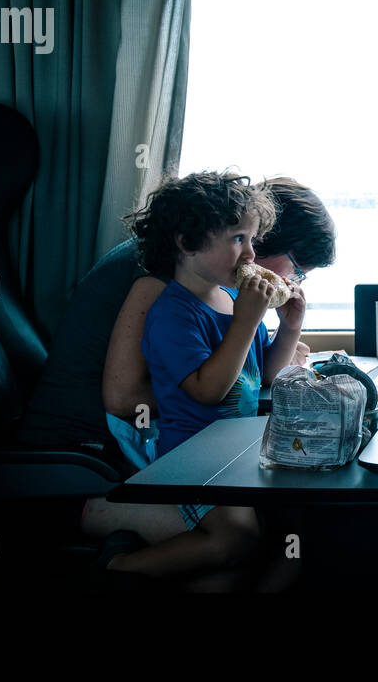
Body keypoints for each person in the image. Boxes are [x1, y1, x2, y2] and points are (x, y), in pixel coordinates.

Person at [94, 171, 301, 586]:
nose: (251, 255)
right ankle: (116, 571)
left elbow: (266, 377)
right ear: (187, 243)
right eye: (237, 239)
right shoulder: (174, 313)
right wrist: (247, 320)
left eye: (253, 240)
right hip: (194, 460)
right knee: (238, 540)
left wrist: (290, 326)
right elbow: (207, 391)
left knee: (293, 540)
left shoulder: (232, 300)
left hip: (239, 455)